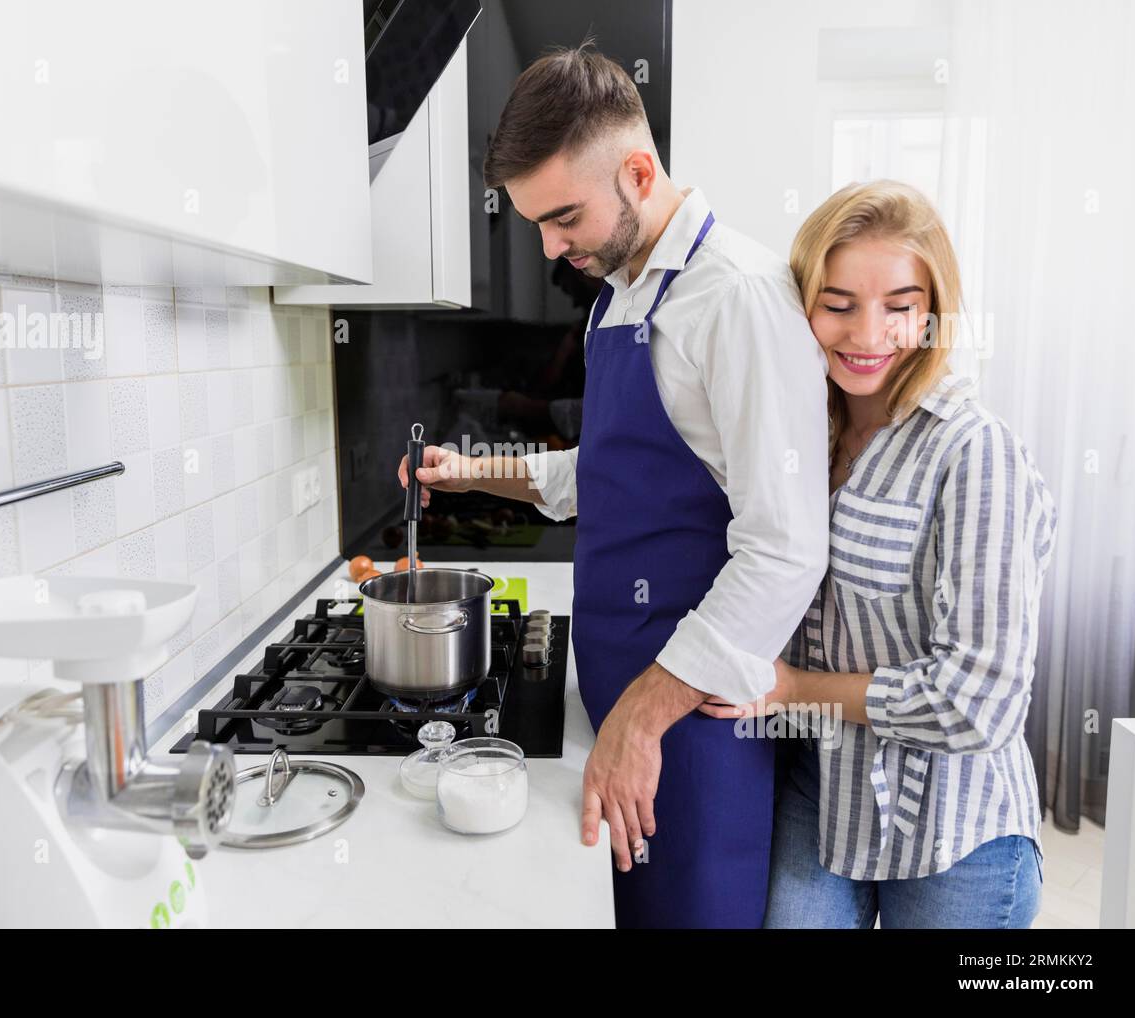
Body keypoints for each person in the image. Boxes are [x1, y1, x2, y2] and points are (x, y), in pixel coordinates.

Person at [397, 43, 829, 928]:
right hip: (619, 700)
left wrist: (642, 719)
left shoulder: (736, 298)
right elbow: (606, 473)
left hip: (691, 730)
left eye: (563, 217)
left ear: (638, 172)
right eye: (536, 226)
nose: (553, 248)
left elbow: (785, 548)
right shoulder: (621, 294)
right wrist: (474, 472)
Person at [700, 180, 1056, 928]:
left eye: (899, 306)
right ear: (802, 306)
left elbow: (978, 701)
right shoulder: (798, 432)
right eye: (838, 304)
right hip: (822, 793)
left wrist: (793, 688)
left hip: (958, 831)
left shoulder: (974, 450)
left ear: (931, 311)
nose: (868, 334)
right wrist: (493, 470)